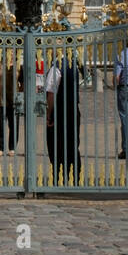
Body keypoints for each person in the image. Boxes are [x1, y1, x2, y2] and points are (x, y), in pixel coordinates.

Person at [45, 52, 82, 185]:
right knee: (72, 145)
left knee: (56, 146)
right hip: (73, 110)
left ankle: (59, 177)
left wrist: (49, 113)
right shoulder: (73, 65)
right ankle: (75, 177)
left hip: (60, 111)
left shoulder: (56, 68)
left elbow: (51, 93)